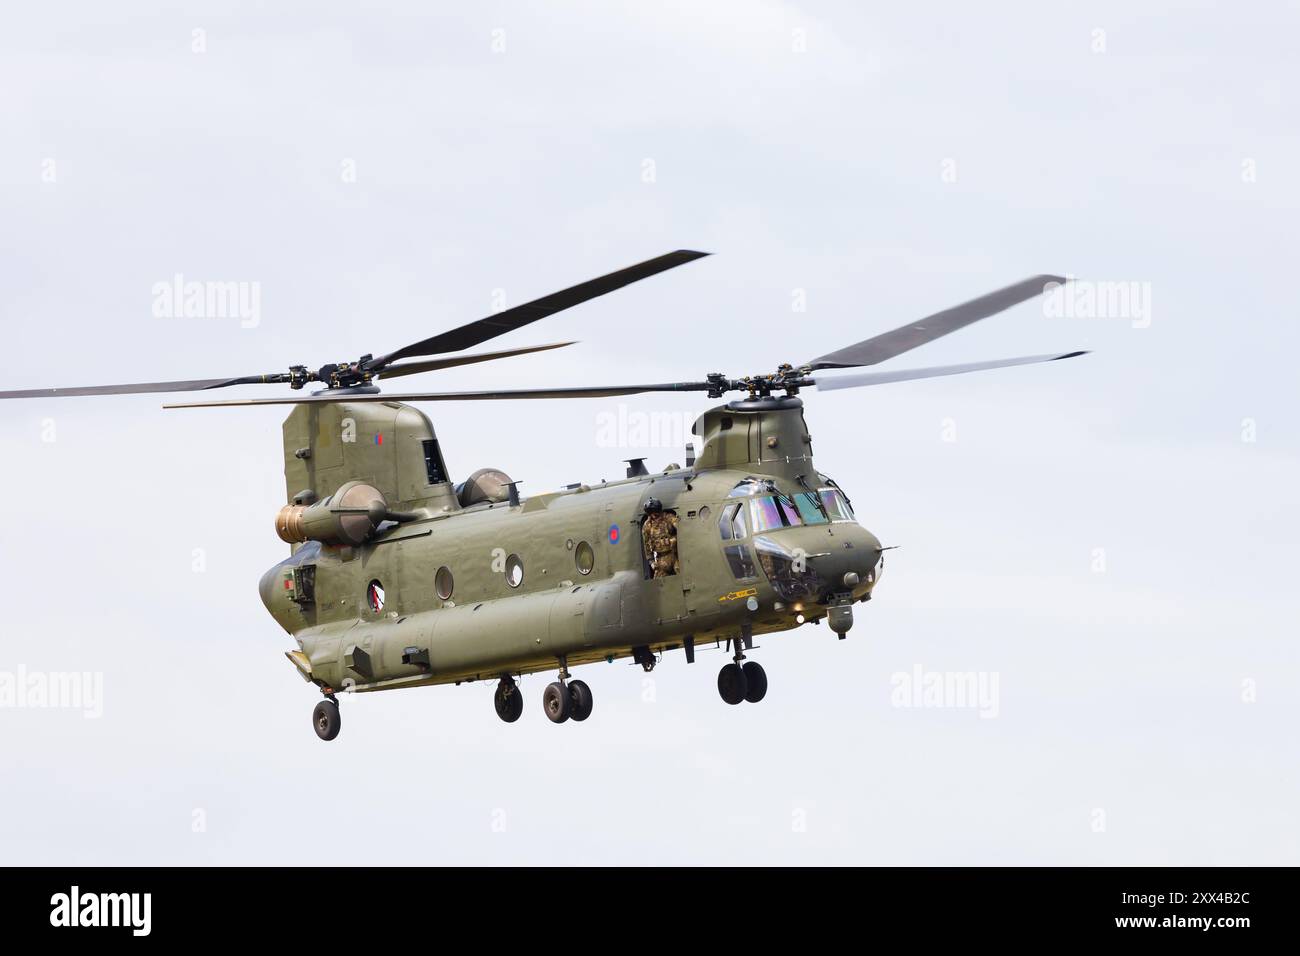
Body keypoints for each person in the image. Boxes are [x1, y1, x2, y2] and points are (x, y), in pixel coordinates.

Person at [641, 498, 679, 578]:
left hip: (674, 555)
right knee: (658, 581)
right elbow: (647, 545)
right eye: (652, 514)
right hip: (661, 559)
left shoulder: (668, 518)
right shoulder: (647, 526)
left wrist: (673, 540)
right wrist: (651, 562)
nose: (654, 516)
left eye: (656, 513)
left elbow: (680, 528)